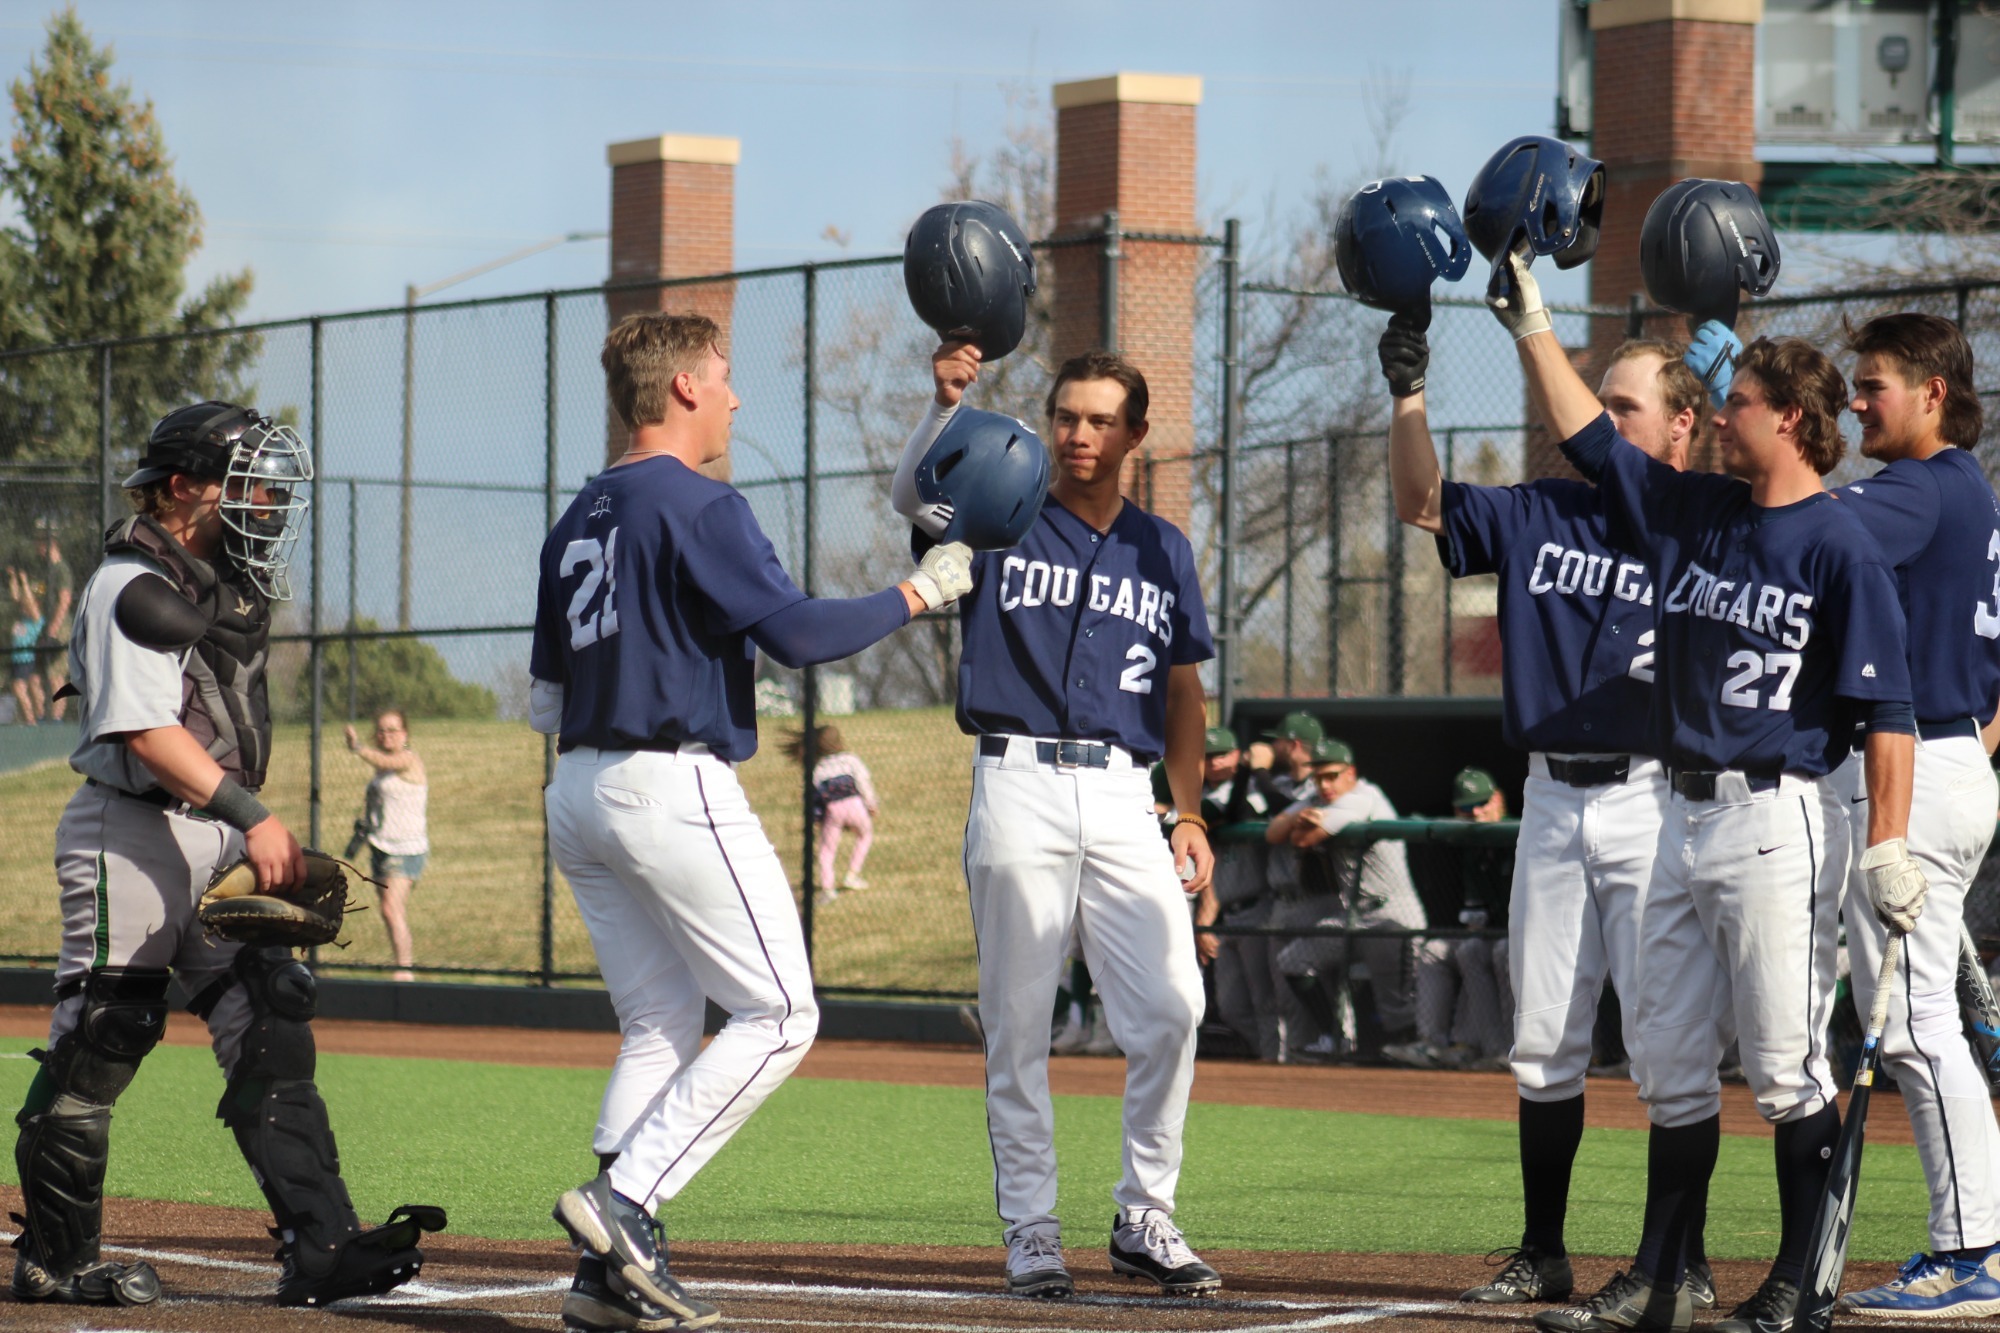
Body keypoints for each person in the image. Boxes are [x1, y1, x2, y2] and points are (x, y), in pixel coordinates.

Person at [1495, 248, 1920, 1333]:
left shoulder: (1840, 546)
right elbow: (1592, 440)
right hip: (1674, 816)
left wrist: (1888, 843)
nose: (1721, 415)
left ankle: (1797, 1282)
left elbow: (1888, 711)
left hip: (1774, 819)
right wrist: (1532, 323)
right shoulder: (1695, 511)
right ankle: (1656, 1278)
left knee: (1783, 1069)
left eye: (1740, 403)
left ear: (1791, 420)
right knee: (1671, 1066)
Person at [532, 312, 972, 1333]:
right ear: (683, 387)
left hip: (578, 786)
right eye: (723, 377)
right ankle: (623, 1204)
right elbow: (798, 635)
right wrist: (918, 591)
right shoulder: (700, 502)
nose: (733, 397)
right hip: (668, 782)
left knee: (658, 1023)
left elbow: (547, 693)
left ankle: (602, 1279)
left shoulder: (577, 514)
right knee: (781, 1013)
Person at [14, 400, 443, 1309]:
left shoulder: (221, 587)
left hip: (211, 831)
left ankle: (321, 1244)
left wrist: (240, 823)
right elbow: (144, 733)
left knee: (271, 1017)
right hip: (129, 831)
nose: (267, 502)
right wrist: (257, 817)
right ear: (182, 488)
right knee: (104, 1034)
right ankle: (54, 1258)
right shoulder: (128, 582)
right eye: (246, 484)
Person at [1380, 311, 1716, 1307]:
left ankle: (1683, 1258)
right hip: (1552, 800)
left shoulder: (1699, 521)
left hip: (1654, 797)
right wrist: (1406, 395)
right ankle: (1543, 1249)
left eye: (1623, 405)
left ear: (1681, 425)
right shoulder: (1541, 510)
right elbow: (1420, 502)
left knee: (1667, 1045)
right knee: (1542, 1042)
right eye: (1599, 400)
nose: (1598, 418)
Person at [892, 340, 1221, 1300]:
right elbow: (914, 497)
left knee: (1174, 1006)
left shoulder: (1164, 548)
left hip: (1124, 792)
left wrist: (1189, 811)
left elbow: (1184, 692)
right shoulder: (1000, 513)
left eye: (1101, 420)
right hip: (1018, 778)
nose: (1081, 434)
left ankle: (1144, 1214)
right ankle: (1032, 1228)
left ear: (1135, 434)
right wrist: (944, 408)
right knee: (1019, 1022)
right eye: (1067, 416)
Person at [1820, 314, 2000, 1319]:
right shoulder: (1969, 489)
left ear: (1933, 392)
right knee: (1918, 1021)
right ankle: (1973, 1245)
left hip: (1916, 763)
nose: (1855, 401)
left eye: (1871, 384)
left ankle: (1974, 1253)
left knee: (1916, 1025)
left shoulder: (1921, 486)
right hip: (1947, 754)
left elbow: (1795, 529)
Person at [1267, 738, 1427, 1062]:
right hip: (1352, 915)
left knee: (1395, 1004)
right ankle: (1334, 1038)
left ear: (1350, 773)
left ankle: (1417, 1062)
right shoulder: (1319, 797)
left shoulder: (1362, 797)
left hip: (1391, 913)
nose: (1324, 785)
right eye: (1318, 777)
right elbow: (1274, 833)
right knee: (1294, 960)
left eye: (1332, 776)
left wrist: (1303, 823)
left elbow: (1305, 839)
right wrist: (1302, 819)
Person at [1384, 768, 1513, 1072]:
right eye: (1467, 808)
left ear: (1497, 799)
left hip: (1527, 936)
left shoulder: (1518, 834)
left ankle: (1510, 1047)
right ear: (1456, 811)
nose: (1476, 813)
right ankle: (1436, 1044)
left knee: (1498, 951)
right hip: (1491, 933)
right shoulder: (1470, 844)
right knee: (1440, 950)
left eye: (1482, 803)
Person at [342, 709, 427, 982]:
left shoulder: (408, 759)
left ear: (405, 733)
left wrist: (357, 747)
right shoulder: (382, 768)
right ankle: (402, 964)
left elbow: (384, 760)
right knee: (391, 910)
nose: (386, 735)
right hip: (381, 847)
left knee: (390, 908)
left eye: (392, 730)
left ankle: (404, 971)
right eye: (381, 730)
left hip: (406, 848)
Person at [788, 724, 878, 901]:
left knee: (826, 850)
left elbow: (811, 794)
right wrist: (871, 804)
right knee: (865, 835)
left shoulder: (817, 768)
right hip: (855, 805)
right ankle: (852, 875)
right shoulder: (850, 760)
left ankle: (828, 888)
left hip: (832, 810)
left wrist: (816, 817)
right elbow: (863, 782)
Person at [33, 525, 74, 721]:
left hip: (59, 627)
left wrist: (53, 629)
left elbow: (64, 601)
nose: (38, 546)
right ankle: (43, 718)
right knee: (40, 675)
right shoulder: (46, 571)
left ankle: (56, 721)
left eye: (41, 542)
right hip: (45, 625)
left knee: (55, 675)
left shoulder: (61, 569)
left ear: (51, 544)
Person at [8, 564, 46, 724]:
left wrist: (24, 582)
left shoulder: (37, 619)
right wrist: (13, 578)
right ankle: (36, 718)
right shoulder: (23, 618)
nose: (24, 605)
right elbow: (16, 597)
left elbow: (29, 601)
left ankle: (32, 722)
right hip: (17, 659)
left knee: (19, 688)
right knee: (30, 689)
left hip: (26, 659)